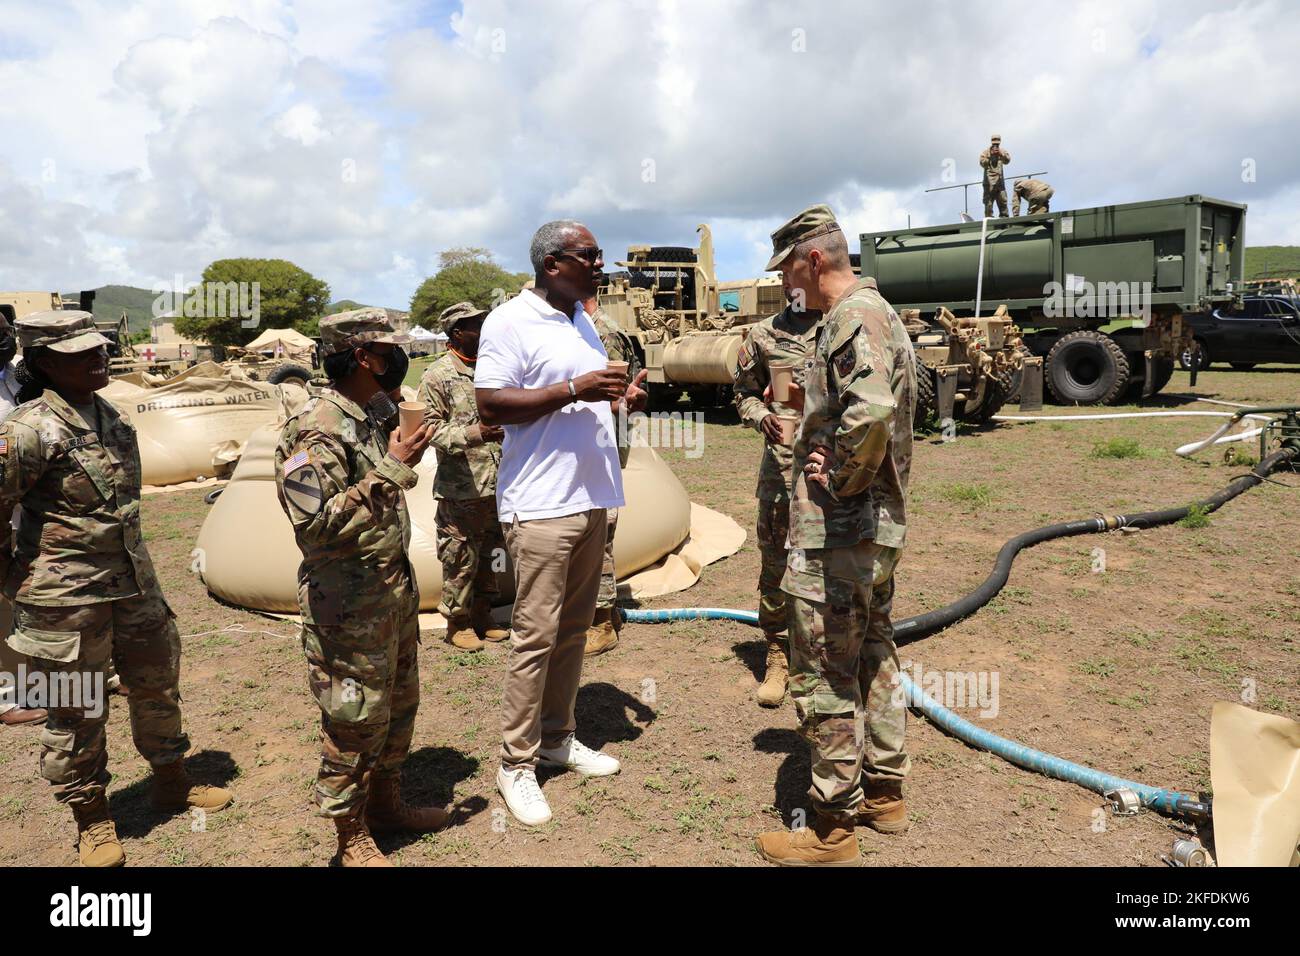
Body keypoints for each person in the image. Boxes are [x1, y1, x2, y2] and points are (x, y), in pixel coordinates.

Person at [0, 310, 232, 867]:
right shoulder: (25, 429)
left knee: (157, 682)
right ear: (43, 363)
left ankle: (171, 778)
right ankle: (92, 817)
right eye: (81, 352)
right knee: (75, 706)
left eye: (99, 347)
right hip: (65, 598)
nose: (98, 357)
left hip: (134, 583)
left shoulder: (111, 415)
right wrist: (15, 581)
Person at [752, 206, 917, 867]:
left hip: (839, 534)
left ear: (812, 261)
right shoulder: (868, 313)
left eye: (789, 268)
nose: (786, 283)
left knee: (826, 673)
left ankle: (832, 830)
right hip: (868, 533)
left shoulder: (852, 315)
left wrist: (840, 476)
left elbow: (871, 410)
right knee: (874, 652)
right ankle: (883, 793)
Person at [475, 219, 647, 827]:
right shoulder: (509, 320)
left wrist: (618, 401)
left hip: (591, 498)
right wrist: (577, 386)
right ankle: (516, 764)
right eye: (590, 255)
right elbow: (491, 405)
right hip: (541, 506)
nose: (601, 264)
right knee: (534, 637)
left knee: (574, 630)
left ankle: (557, 737)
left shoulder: (581, 318)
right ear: (553, 263)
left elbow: (577, 402)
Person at [275, 307, 449, 867]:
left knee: (398, 707)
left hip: (389, 591)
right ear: (361, 356)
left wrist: (400, 451)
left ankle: (386, 806)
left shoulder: (370, 414)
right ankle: (350, 837)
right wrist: (392, 467)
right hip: (346, 605)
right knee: (353, 721)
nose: (400, 356)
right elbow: (316, 525)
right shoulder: (316, 428)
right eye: (388, 348)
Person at [732, 295, 825, 707]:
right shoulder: (762, 334)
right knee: (776, 562)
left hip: (830, 470)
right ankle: (778, 653)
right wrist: (759, 416)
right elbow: (743, 392)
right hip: (780, 473)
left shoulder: (840, 327)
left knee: (827, 561)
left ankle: (822, 656)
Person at [417, 301, 509, 652]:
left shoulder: (492, 369)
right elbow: (429, 430)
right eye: (476, 326)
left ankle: (484, 614)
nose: (484, 330)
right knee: (459, 555)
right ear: (458, 333)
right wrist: (476, 433)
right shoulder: (438, 375)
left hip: (497, 482)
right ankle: (458, 622)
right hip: (462, 487)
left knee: (491, 553)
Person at [584, 291, 638, 656]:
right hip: (588, 444)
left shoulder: (604, 332)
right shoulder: (584, 328)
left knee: (599, 530)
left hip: (601, 445)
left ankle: (602, 621)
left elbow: (616, 399)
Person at [0, 313, 46, 728]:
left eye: (4, 334)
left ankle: (88, 676)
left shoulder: (18, 378)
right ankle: (9, 695)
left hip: (27, 505)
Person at [979, 134, 1012, 218]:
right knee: (988, 205)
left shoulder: (1002, 151)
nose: (995, 145)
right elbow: (982, 163)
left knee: (1003, 203)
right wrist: (990, 156)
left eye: (997, 144)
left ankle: (1004, 223)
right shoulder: (985, 152)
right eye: (994, 143)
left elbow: (1007, 161)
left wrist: (1001, 154)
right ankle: (989, 223)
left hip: (1000, 184)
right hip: (988, 184)